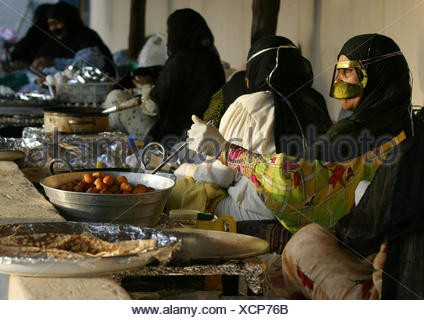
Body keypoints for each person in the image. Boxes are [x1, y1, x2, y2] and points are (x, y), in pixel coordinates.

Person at [187, 34, 424, 299]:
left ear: (375, 76)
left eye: (346, 73)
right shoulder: (405, 126)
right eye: (337, 72)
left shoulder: (361, 137)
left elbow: (293, 183)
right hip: (376, 255)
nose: (336, 81)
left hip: (391, 288)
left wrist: (224, 150)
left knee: (304, 242)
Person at [172, 36, 332, 225]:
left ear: (253, 74)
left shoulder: (249, 105)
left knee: (180, 193)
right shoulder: (316, 101)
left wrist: (184, 171)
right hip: (319, 209)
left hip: (263, 213)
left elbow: (219, 177)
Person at [147, 8, 226, 143]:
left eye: (169, 32)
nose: (168, 36)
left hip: (180, 134)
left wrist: (145, 87)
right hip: (210, 131)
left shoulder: (179, 60)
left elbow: (157, 101)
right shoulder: (212, 58)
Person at [32, 2, 115, 76]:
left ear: (69, 21)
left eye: (57, 23)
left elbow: (85, 67)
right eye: (51, 24)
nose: (54, 28)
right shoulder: (53, 42)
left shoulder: (87, 37)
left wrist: (54, 62)